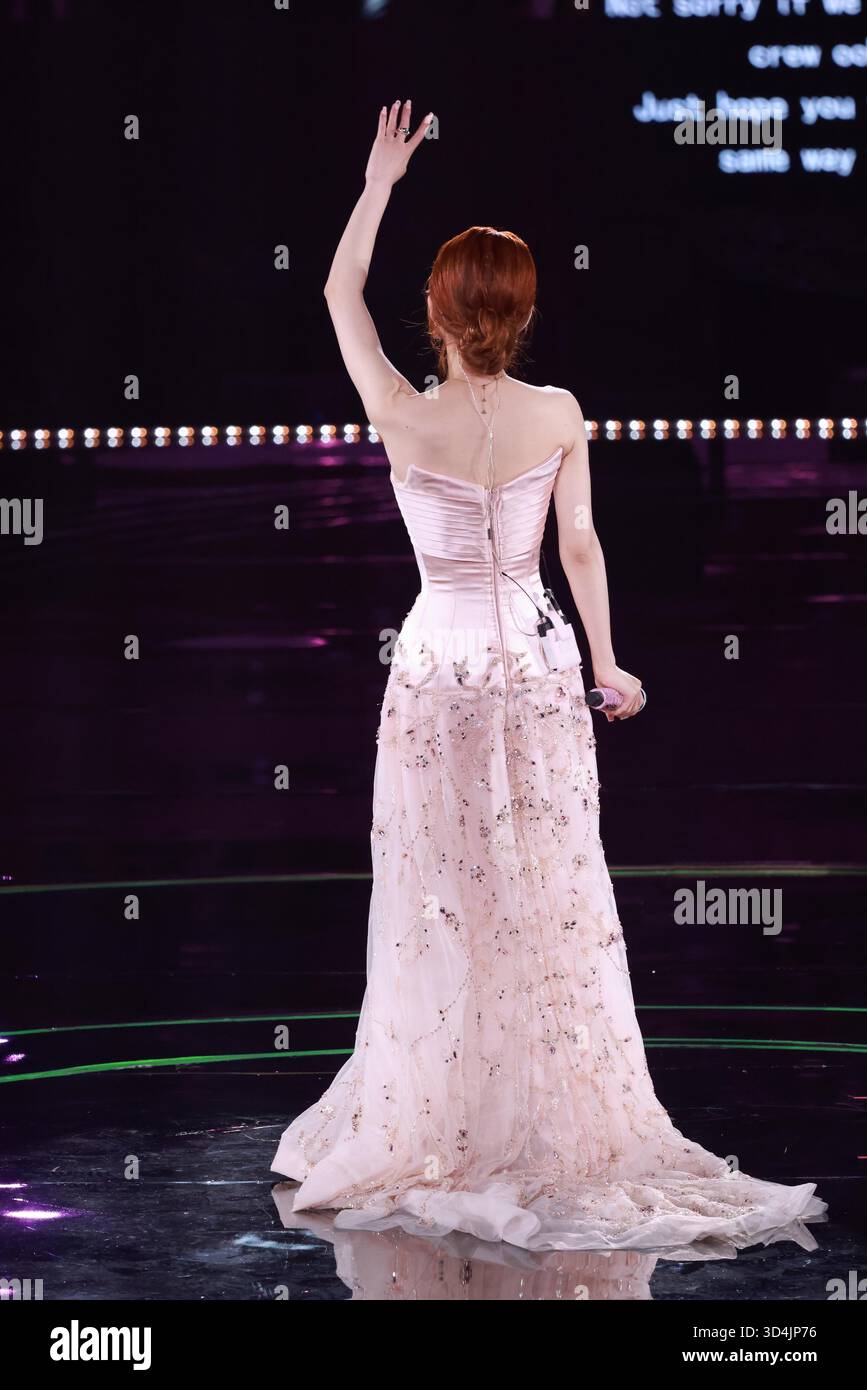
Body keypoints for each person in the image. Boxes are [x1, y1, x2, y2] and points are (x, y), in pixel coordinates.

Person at [271, 100, 826, 1252]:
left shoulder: (399, 413)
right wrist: (611, 662)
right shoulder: (561, 411)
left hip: (438, 665)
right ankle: (540, 1112)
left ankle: (446, 1109)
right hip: (532, 661)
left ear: (435, 311)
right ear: (522, 316)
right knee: (542, 892)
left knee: (440, 890)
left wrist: (378, 183)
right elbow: (579, 548)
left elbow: (333, 294)